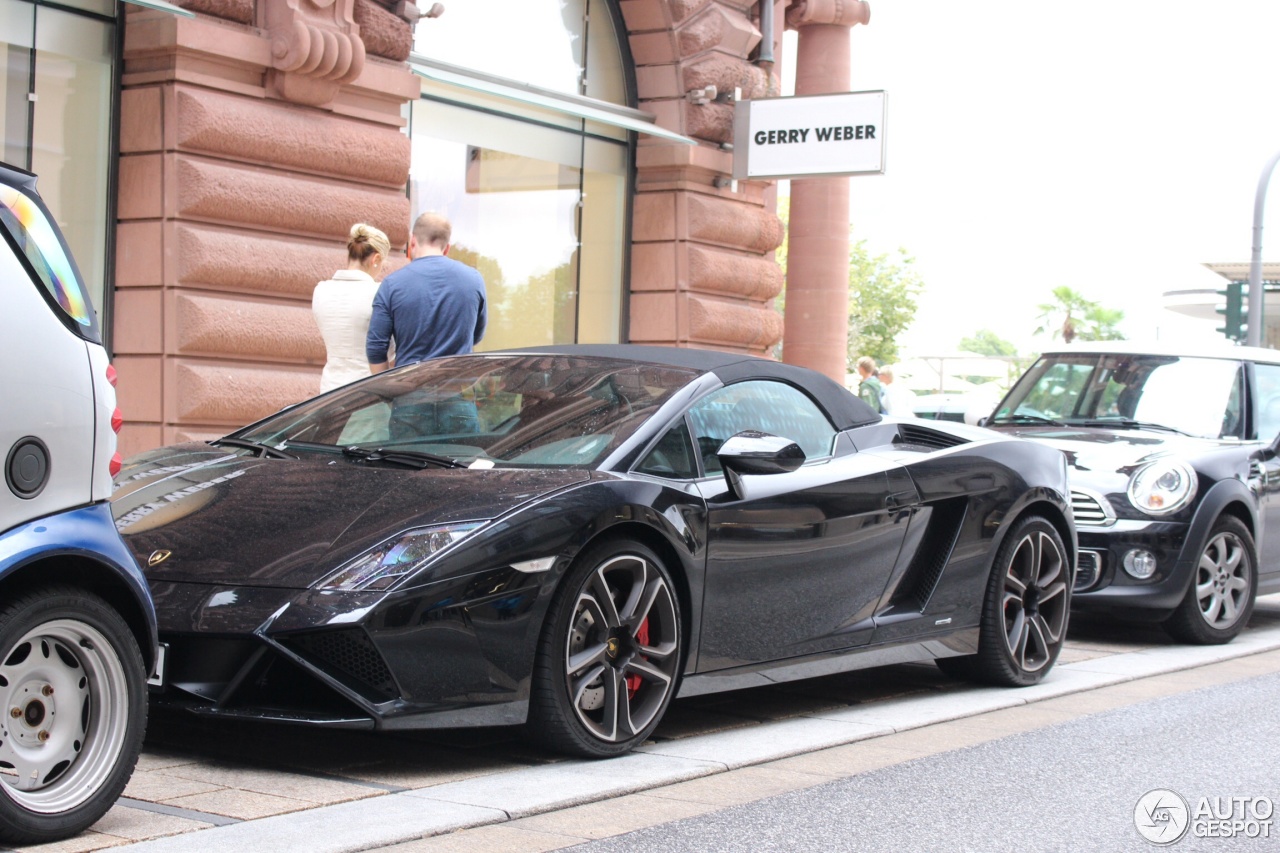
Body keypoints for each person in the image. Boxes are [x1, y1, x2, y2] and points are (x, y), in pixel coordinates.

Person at [366, 211, 486, 372]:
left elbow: (376, 347)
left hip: (410, 390)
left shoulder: (391, 284)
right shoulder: (474, 280)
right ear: (446, 248)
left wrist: (386, 391)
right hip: (458, 389)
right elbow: (475, 336)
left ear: (412, 241)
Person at [312, 223, 390, 393]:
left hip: (329, 391)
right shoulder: (379, 293)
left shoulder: (321, 290)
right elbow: (390, 348)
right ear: (375, 259)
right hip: (368, 393)